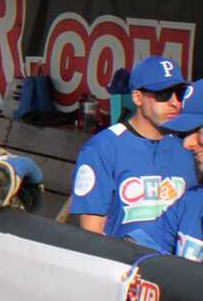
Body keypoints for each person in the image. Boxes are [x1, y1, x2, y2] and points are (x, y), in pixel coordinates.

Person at [69, 56, 197, 239]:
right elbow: (92, 232)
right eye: (163, 94)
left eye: (180, 93)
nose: (174, 102)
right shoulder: (103, 147)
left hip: (175, 264)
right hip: (122, 262)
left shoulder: (186, 148)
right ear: (137, 97)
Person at [128, 85, 203, 260]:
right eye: (186, 133)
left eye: (197, 131)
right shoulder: (192, 201)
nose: (187, 143)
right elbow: (139, 251)